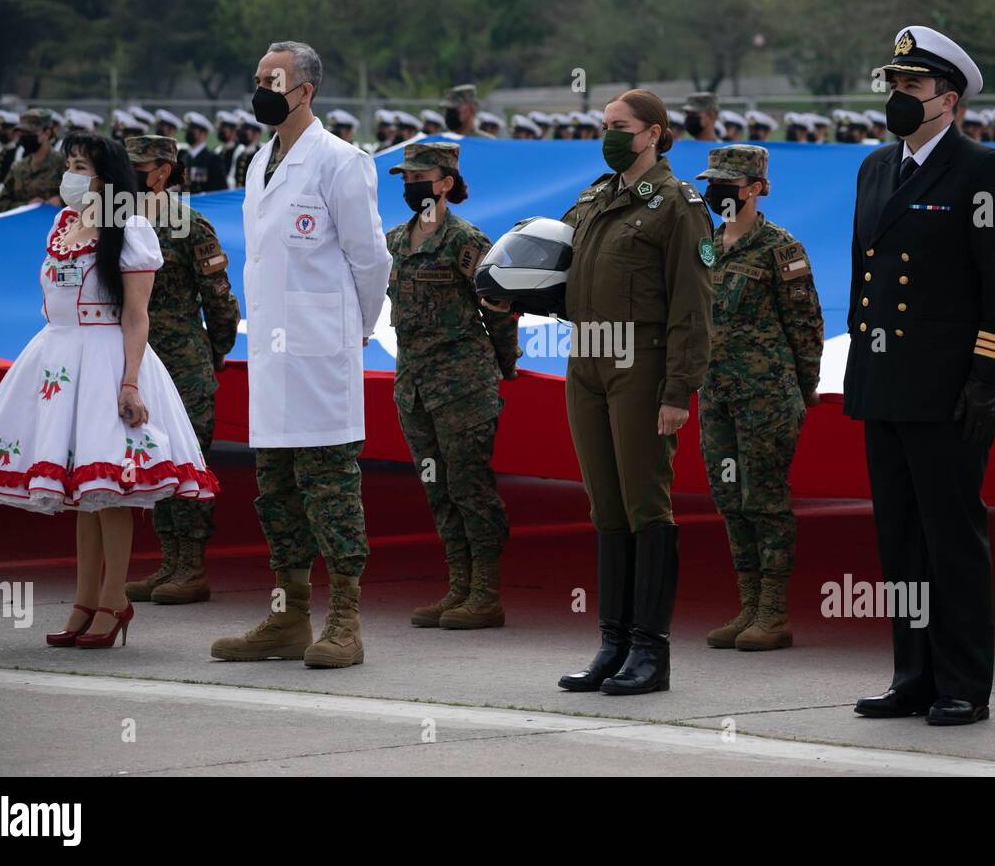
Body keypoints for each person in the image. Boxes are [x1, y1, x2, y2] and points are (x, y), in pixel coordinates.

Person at [0, 133, 217, 647]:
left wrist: (130, 382)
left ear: (106, 177)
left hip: (107, 362)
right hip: (57, 362)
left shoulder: (132, 228)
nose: (70, 173)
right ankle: (84, 600)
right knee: (82, 496)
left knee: (111, 492)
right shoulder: (62, 223)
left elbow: (138, 316)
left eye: (80, 165)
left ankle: (113, 600)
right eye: (69, 163)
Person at [845, 26, 995, 726]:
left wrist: (988, 379)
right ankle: (912, 675)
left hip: (951, 388)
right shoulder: (873, 170)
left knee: (951, 539)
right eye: (893, 84)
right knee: (899, 538)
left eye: (912, 86)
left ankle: (962, 683)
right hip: (885, 383)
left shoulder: (988, 169)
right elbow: (865, 276)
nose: (897, 96)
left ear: (947, 99)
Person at [210, 40, 391, 669]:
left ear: (304, 89)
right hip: (271, 356)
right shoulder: (261, 161)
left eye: (271, 78)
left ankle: (345, 618)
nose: (260, 87)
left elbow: (371, 261)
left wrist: (352, 331)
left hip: (321, 356)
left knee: (331, 487)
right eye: (256, 76)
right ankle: (288, 616)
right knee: (276, 490)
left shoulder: (341, 162)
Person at [546, 88, 713, 695]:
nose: (608, 134)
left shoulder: (677, 204)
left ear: (653, 133)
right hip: (587, 356)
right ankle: (612, 645)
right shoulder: (596, 196)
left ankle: (650, 650)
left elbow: (693, 307)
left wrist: (678, 391)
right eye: (603, 124)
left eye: (620, 126)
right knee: (606, 507)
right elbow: (560, 268)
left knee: (646, 504)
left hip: (639, 360)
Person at [385, 141, 520, 629]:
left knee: (470, 486)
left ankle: (485, 593)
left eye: (419, 178)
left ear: (445, 183)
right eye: (405, 179)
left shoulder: (467, 242)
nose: (410, 186)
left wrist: (504, 365)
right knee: (436, 487)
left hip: (463, 386)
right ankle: (457, 586)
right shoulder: (396, 240)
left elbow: (500, 310)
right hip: (415, 388)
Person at [695, 145, 823, 651]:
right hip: (716, 394)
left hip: (766, 395)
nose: (715, 191)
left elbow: (806, 324)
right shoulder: (705, 243)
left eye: (726, 183)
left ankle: (773, 612)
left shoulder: (779, 248)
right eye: (712, 182)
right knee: (729, 500)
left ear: (753, 188)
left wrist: (804, 386)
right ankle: (747, 604)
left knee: (764, 500)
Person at [121, 135, 240, 605]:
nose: (130, 175)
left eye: (141, 166)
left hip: (184, 363)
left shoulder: (191, 226)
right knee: (152, 459)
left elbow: (220, 300)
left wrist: (215, 351)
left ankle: (191, 566)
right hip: (138, 361)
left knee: (188, 459)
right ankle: (168, 560)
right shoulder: (122, 224)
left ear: (165, 170)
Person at [0, 109, 65, 211]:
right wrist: (26, 206)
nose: (24, 136)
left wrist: (60, 201)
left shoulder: (64, 164)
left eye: (29, 132)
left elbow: (81, 198)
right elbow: (2, 204)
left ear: (47, 133)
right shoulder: (17, 168)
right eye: (21, 132)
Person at [179, 112, 227, 192]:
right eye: (188, 130)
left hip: (204, 203)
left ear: (203, 134)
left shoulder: (213, 159)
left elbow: (219, 190)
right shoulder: (184, 158)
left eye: (193, 130)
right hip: (186, 203)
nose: (188, 133)